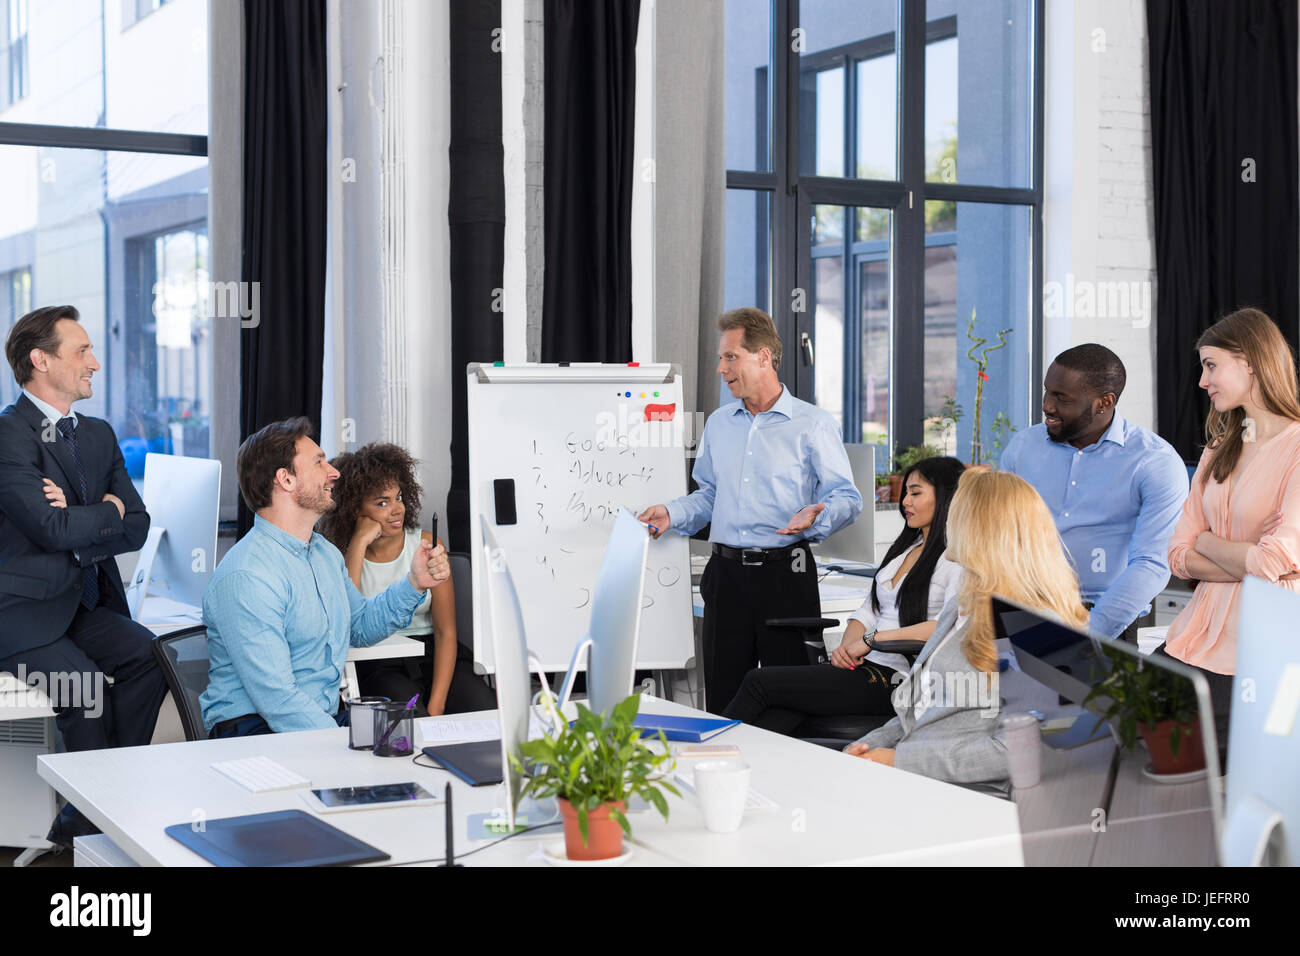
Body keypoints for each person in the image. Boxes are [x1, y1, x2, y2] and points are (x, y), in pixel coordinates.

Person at [0, 305, 168, 847]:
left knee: (151, 658)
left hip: (81, 604)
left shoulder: (96, 434)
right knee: (86, 689)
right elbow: (49, 528)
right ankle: (100, 815)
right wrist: (103, 511)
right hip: (20, 615)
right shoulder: (9, 435)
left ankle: (92, 807)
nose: (94, 361)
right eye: (82, 351)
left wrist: (79, 516)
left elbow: (138, 526)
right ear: (40, 360)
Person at [637, 308, 862, 711]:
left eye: (730, 357)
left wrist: (817, 516)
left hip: (785, 576)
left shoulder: (813, 425)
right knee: (724, 696)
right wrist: (672, 513)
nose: (722, 369)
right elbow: (709, 496)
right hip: (725, 579)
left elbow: (848, 498)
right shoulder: (720, 425)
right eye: (722, 359)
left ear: (763, 357)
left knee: (789, 702)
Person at [200, 418, 451, 737]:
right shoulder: (248, 575)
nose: (334, 472)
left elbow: (359, 626)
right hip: (252, 728)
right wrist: (346, 741)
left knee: (413, 740)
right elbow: (278, 700)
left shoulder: (323, 553)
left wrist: (415, 582)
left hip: (317, 718)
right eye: (319, 463)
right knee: (388, 752)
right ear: (286, 480)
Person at [845, 470, 1091, 788]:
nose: (946, 522)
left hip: (971, 795)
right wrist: (869, 745)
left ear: (979, 529)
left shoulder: (1037, 631)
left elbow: (1019, 753)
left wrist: (898, 761)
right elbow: (920, 710)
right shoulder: (966, 604)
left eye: (955, 512)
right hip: (917, 777)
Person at [722, 456, 965, 734]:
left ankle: (697, 755)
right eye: (906, 492)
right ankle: (730, 766)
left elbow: (947, 627)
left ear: (946, 497)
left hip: (898, 678)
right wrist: (846, 650)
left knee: (759, 682)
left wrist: (872, 640)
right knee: (778, 715)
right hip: (865, 666)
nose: (905, 502)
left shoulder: (955, 558)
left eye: (916, 493)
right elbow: (868, 611)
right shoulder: (906, 550)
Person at [1160, 308, 1300, 757]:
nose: (1203, 381)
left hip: (1256, 657)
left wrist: (1207, 541)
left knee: (1185, 770)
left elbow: (1273, 561)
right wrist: (1241, 557)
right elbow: (1177, 554)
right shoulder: (1219, 448)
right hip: (1189, 641)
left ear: (1251, 362)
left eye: (1211, 365)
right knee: (1120, 747)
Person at [1000, 343, 1188, 642]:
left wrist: (1090, 633)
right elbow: (1000, 536)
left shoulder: (1155, 462)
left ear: (1104, 402)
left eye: (1061, 397)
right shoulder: (1023, 448)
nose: (1047, 405)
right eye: (1047, 391)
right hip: (1025, 613)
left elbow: (1152, 563)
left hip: (1106, 622)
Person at [318, 443, 495, 717]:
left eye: (398, 497)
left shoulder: (426, 545)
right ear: (354, 509)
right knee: (412, 722)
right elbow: (346, 618)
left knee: (486, 713)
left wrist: (437, 706)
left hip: (435, 655)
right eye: (382, 503)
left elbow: (446, 632)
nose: (397, 509)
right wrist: (359, 542)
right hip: (379, 663)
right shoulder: (339, 556)